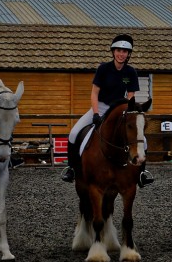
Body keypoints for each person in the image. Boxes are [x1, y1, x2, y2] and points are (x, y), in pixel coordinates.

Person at [62, 34, 153, 187]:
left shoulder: (130, 72)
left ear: (128, 54)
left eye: (124, 51)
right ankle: (71, 168)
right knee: (73, 133)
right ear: (113, 52)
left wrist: (129, 112)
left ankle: (141, 172)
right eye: (118, 50)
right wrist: (96, 113)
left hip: (119, 109)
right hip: (101, 106)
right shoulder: (103, 69)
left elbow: (130, 97)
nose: (121, 54)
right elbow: (94, 93)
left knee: (142, 140)